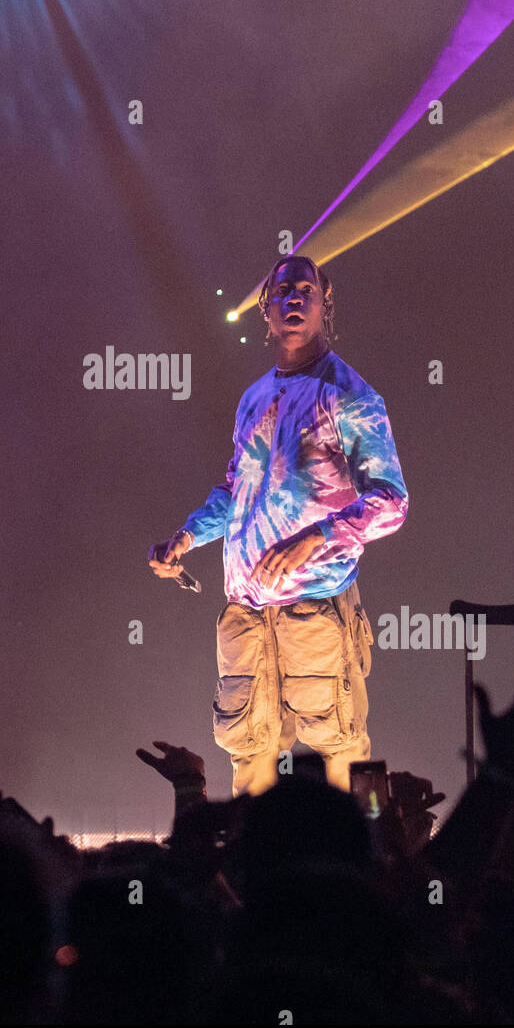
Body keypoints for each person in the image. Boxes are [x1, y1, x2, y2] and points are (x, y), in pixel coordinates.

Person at [150, 254, 408, 794]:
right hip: (246, 616)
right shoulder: (252, 399)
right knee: (251, 765)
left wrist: (315, 537)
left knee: (342, 763)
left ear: (323, 303)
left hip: (315, 609)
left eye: (305, 290)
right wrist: (189, 536)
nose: (293, 298)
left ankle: (359, 873)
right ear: (264, 307)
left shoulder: (349, 395)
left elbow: (391, 501)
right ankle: (258, 875)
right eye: (283, 290)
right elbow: (235, 490)